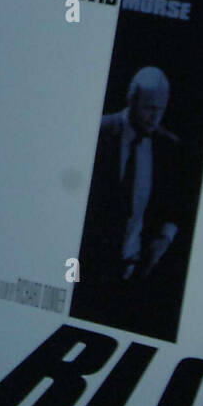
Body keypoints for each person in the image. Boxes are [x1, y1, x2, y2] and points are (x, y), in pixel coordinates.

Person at [74, 66, 182, 335]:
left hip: (134, 272)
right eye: (148, 107)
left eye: (161, 108)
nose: (154, 116)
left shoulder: (167, 146)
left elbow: (176, 204)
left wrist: (164, 239)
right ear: (131, 99)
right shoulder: (98, 132)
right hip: (85, 268)